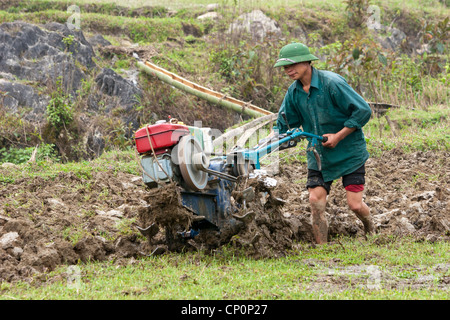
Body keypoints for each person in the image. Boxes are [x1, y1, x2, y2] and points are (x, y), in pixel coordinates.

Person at [274, 42, 375, 244]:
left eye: (292, 65)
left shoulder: (332, 83)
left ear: (307, 62)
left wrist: (338, 136)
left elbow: (363, 110)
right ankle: (323, 249)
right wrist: (281, 137)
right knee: (315, 201)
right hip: (318, 154)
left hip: (349, 152)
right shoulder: (293, 93)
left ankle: (370, 227)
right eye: (285, 67)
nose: (288, 71)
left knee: (355, 205)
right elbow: (285, 123)